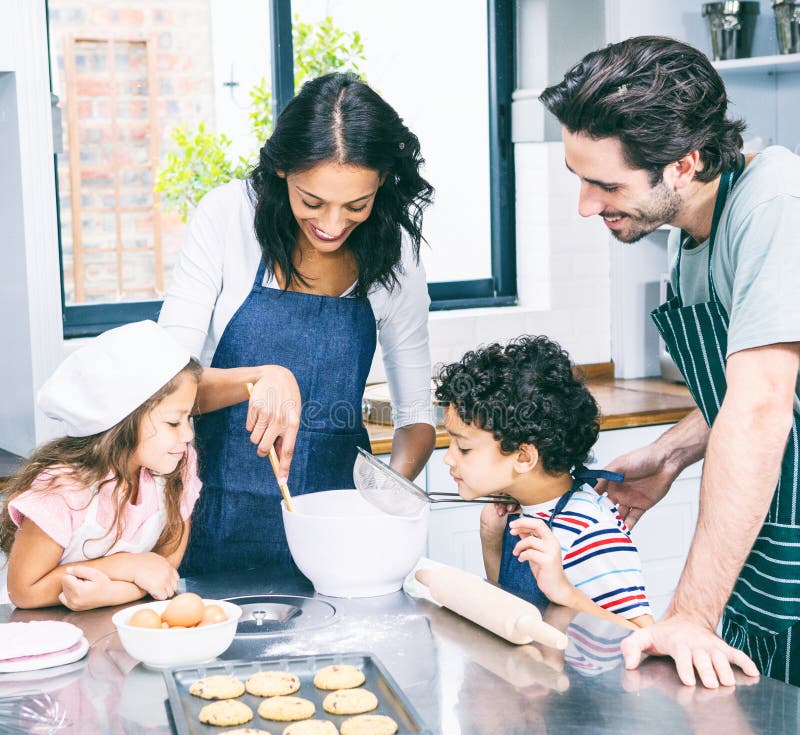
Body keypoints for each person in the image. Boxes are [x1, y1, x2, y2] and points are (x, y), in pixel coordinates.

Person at [538, 35, 800, 687]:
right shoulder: (692, 239)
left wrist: (690, 613)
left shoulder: (774, 204)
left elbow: (764, 404)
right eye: (580, 179)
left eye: (604, 184)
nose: (586, 205)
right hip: (768, 551)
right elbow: (754, 394)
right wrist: (673, 454)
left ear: (683, 164)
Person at [159, 72, 437, 575]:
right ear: (282, 170)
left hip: (337, 537)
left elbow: (416, 415)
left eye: (356, 205)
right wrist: (260, 379)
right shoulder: (228, 218)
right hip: (211, 521)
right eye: (313, 202)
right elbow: (163, 388)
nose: (332, 225)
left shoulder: (395, 255)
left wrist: (381, 501)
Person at [434, 335, 653, 628]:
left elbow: (643, 634)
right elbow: (511, 609)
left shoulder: (589, 530)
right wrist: (491, 540)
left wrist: (563, 591)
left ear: (524, 457)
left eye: (463, 447)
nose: (448, 458)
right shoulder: (524, 509)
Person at [1, 321, 202, 610]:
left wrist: (112, 593)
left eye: (189, 419)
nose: (188, 435)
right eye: (173, 422)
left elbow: (164, 570)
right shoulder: (65, 489)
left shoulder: (177, 467)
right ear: (123, 423)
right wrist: (124, 566)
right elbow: (24, 590)